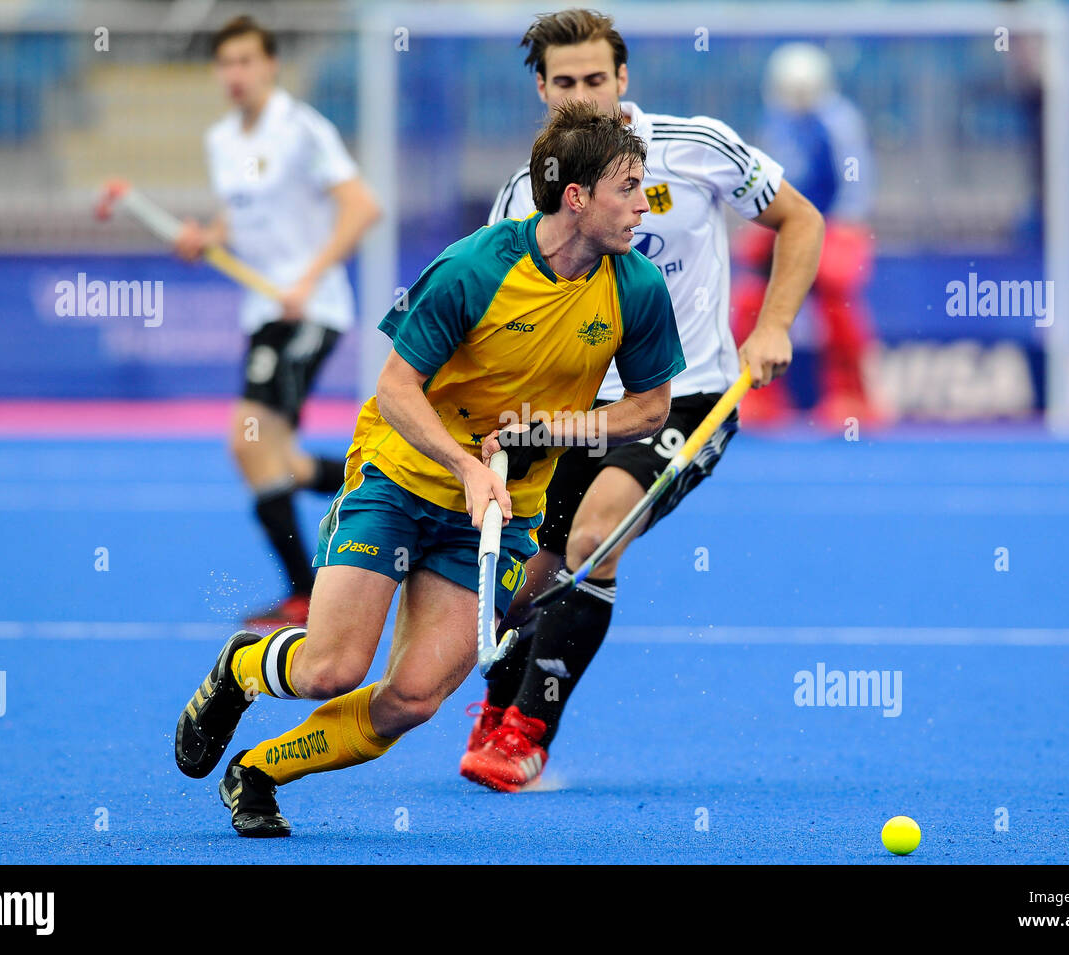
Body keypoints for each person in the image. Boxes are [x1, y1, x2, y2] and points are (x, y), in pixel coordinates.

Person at [174, 101, 685, 837]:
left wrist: (556, 427)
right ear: (576, 197)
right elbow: (395, 385)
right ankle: (243, 668)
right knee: (330, 668)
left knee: (412, 697)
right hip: (401, 477)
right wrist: (463, 465)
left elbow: (648, 409)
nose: (644, 204)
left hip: (503, 510)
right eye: (629, 186)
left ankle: (260, 770)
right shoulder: (475, 266)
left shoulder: (635, 286)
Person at [461, 8, 823, 793]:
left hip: (685, 402)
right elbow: (493, 312)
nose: (585, 95)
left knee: (594, 539)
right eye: (566, 83)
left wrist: (774, 327)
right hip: (573, 412)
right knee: (539, 572)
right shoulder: (525, 191)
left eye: (598, 78)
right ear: (541, 89)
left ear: (622, 78)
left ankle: (527, 732)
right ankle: (495, 699)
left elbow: (802, 219)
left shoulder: (696, 148)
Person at [173, 15, 382, 630]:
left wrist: (308, 277)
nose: (235, 74)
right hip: (264, 312)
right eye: (226, 63)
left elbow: (362, 207)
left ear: (270, 65)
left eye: (246, 61)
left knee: (249, 441)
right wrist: (203, 237)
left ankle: (306, 594)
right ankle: (385, 487)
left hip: (309, 309)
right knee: (274, 459)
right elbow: (235, 223)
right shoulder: (221, 142)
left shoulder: (302, 130)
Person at [732, 42, 877, 425]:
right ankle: (758, 395)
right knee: (750, 300)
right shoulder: (776, 119)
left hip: (831, 226)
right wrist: (761, 224)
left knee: (837, 305)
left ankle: (851, 396)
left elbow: (854, 181)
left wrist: (845, 227)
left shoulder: (839, 121)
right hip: (786, 224)